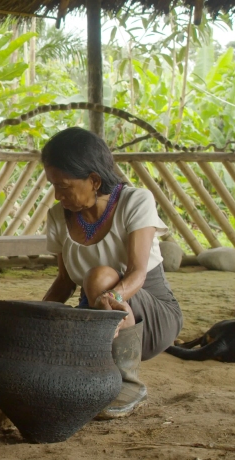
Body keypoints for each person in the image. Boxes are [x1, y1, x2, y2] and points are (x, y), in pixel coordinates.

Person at [41, 127, 183, 419]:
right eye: (53, 185)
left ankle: (128, 384)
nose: (57, 195)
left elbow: (137, 272)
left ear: (94, 180)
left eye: (64, 186)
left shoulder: (135, 201)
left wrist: (110, 300)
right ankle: (100, 374)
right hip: (95, 314)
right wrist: (35, 318)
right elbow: (64, 282)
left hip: (149, 315)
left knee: (99, 278)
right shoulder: (58, 217)